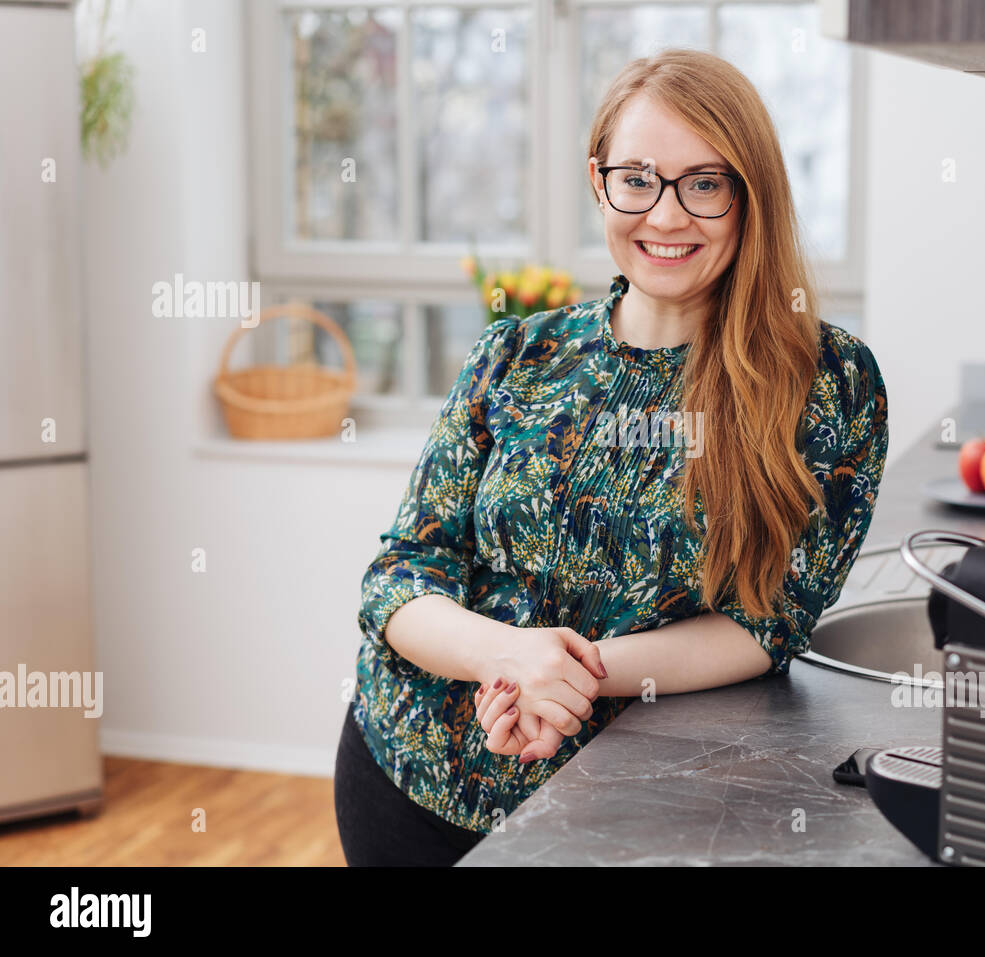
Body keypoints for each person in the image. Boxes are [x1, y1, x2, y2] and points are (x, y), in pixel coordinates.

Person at [333, 47, 888, 866]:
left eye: (704, 182)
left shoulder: (827, 384)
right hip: (405, 779)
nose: (665, 216)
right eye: (637, 178)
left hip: (629, 813)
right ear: (600, 183)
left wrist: (566, 676)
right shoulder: (515, 355)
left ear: (750, 196)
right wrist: (510, 657)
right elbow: (402, 574)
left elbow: (767, 622)